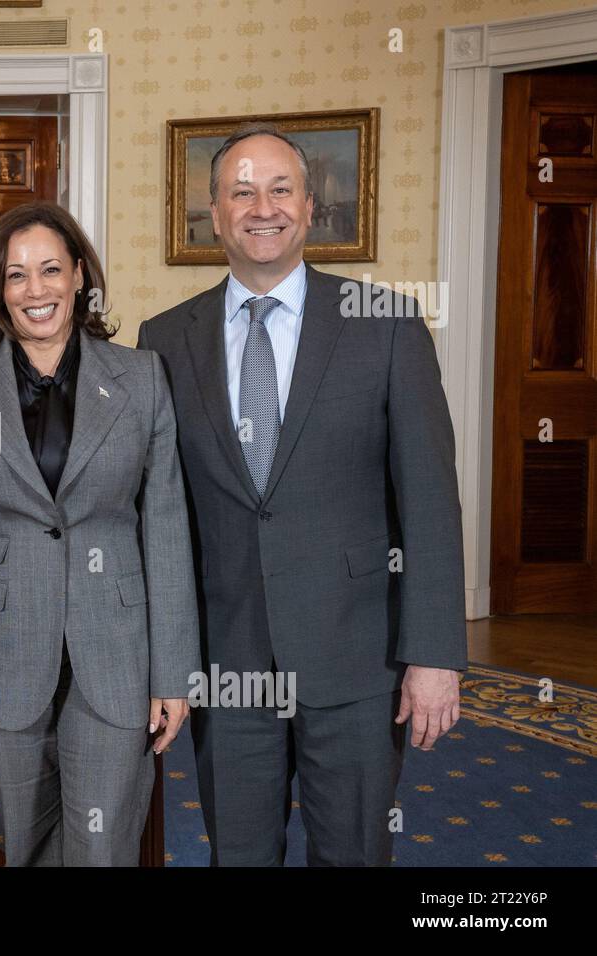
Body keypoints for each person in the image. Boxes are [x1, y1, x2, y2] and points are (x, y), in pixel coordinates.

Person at [137, 122, 466, 866]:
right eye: (241, 192)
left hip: (357, 659)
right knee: (239, 854)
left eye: (281, 189)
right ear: (215, 214)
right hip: (226, 661)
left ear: (311, 207)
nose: (263, 207)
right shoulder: (164, 341)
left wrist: (435, 654)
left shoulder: (386, 326)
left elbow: (430, 504)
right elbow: (161, 515)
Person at [0, 201, 201, 866]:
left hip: (116, 650)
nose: (36, 289)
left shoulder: (141, 377)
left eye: (51, 269)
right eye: (17, 276)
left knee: (101, 845)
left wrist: (173, 672)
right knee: (27, 843)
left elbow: (165, 523)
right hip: (5, 647)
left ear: (79, 274)